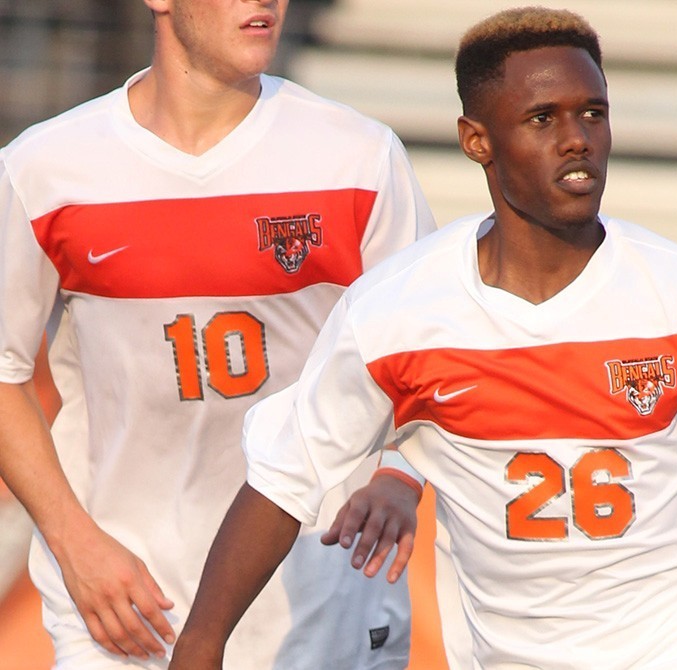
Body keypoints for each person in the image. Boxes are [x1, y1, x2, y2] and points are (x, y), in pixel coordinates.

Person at [169, 7, 677, 670]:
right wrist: (199, 648)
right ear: (477, 140)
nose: (577, 139)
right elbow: (281, 485)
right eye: (544, 119)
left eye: (593, 113)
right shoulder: (398, 315)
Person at [0, 0, 436, 666]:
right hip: (126, 610)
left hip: (322, 602)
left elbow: (429, 354)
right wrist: (73, 543)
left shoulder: (359, 157)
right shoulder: (45, 168)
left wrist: (400, 476)